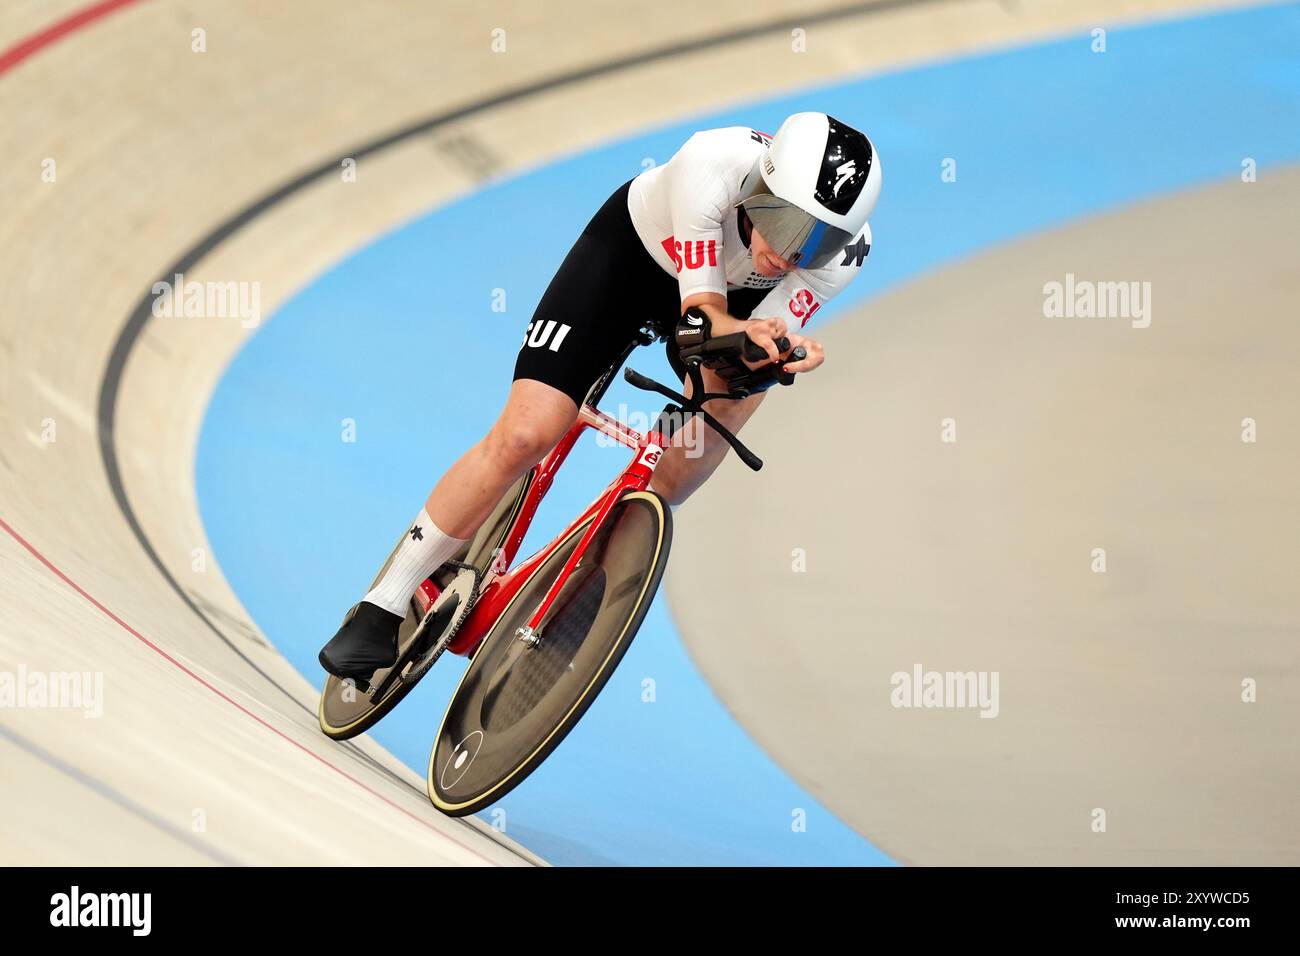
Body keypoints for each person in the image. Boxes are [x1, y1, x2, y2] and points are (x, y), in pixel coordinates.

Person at [319, 111, 882, 678]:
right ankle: (383, 603)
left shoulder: (843, 258)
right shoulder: (710, 163)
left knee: (677, 475)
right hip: (633, 262)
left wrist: (775, 356)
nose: (790, 257)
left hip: (730, 314)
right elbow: (700, 317)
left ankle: (567, 607)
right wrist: (743, 338)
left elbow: (752, 341)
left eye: (816, 243)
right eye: (785, 228)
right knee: (526, 433)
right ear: (759, 189)